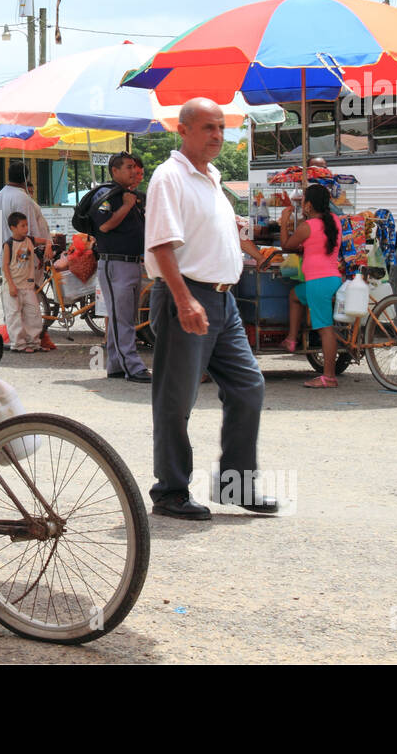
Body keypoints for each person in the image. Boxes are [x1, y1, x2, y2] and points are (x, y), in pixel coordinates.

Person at [144, 98, 279, 520]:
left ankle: (236, 485)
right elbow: (161, 246)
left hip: (224, 300)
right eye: (208, 128)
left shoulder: (213, 178)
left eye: (221, 127)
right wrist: (184, 301)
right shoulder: (170, 177)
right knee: (176, 399)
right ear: (182, 130)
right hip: (187, 296)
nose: (218, 135)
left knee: (248, 387)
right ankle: (170, 491)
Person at [90, 151, 149, 382]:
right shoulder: (107, 195)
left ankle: (116, 364)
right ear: (115, 171)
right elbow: (104, 226)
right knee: (122, 317)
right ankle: (132, 366)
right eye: (128, 167)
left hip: (133, 262)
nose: (134, 171)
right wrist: (125, 206)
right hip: (115, 263)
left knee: (124, 316)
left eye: (135, 167)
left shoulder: (132, 196)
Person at [278, 183, 344, 387]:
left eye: (304, 200)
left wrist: (284, 222)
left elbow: (286, 245)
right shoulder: (334, 221)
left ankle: (329, 377)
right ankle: (291, 339)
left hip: (318, 282)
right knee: (295, 296)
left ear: (308, 204)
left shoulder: (307, 227)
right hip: (333, 278)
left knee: (326, 330)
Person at [0, 161, 55, 349]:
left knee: (14, 304)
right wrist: (40, 255)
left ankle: (22, 338)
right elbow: (31, 232)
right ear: (27, 178)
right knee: (27, 304)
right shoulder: (23, 199)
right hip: (23, 258)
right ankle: (25, 340)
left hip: (6, 254)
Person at [1, 211, 44, 352]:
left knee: (33, 314)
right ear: (13, 228)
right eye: (22, 226)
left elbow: (46, 241)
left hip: (28, 286)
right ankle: (18, 345)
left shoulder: (30, 240)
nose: (26, 228)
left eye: (27, 225)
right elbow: (5, 266)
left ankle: (33, 343)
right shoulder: (8, 244)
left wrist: (49, 246)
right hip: (13, 286)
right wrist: (11, 285)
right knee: (14, 315)